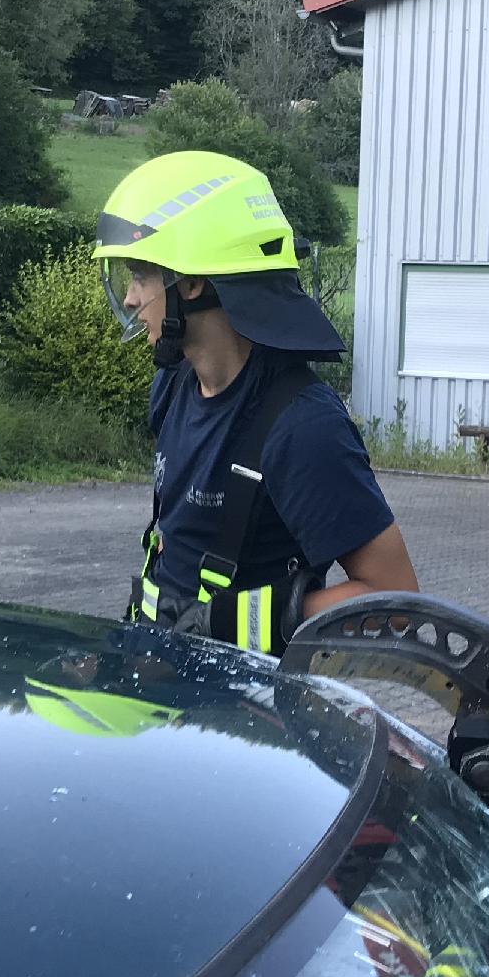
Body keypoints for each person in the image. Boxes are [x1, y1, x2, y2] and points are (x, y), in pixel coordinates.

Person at [96, 150, 415, 652]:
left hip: (249, 713)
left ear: (192, 282)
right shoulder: (175, 384)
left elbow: (395, 604)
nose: (131, 299)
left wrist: (251, 619)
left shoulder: (304, 427)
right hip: (162, 685)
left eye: (140, 276)